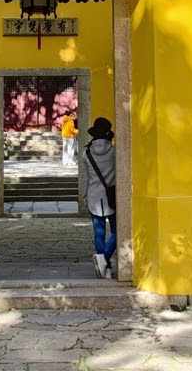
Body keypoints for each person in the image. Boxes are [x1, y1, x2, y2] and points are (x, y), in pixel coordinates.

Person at [81, 117, 116, 279]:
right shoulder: (115, 151)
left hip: (94, 196)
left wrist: (84, 196)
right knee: (117, 232)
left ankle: (104, 262)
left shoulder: (86, 154)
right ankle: (106, 262)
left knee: (98, 233)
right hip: (112, 196)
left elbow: (85, 179)